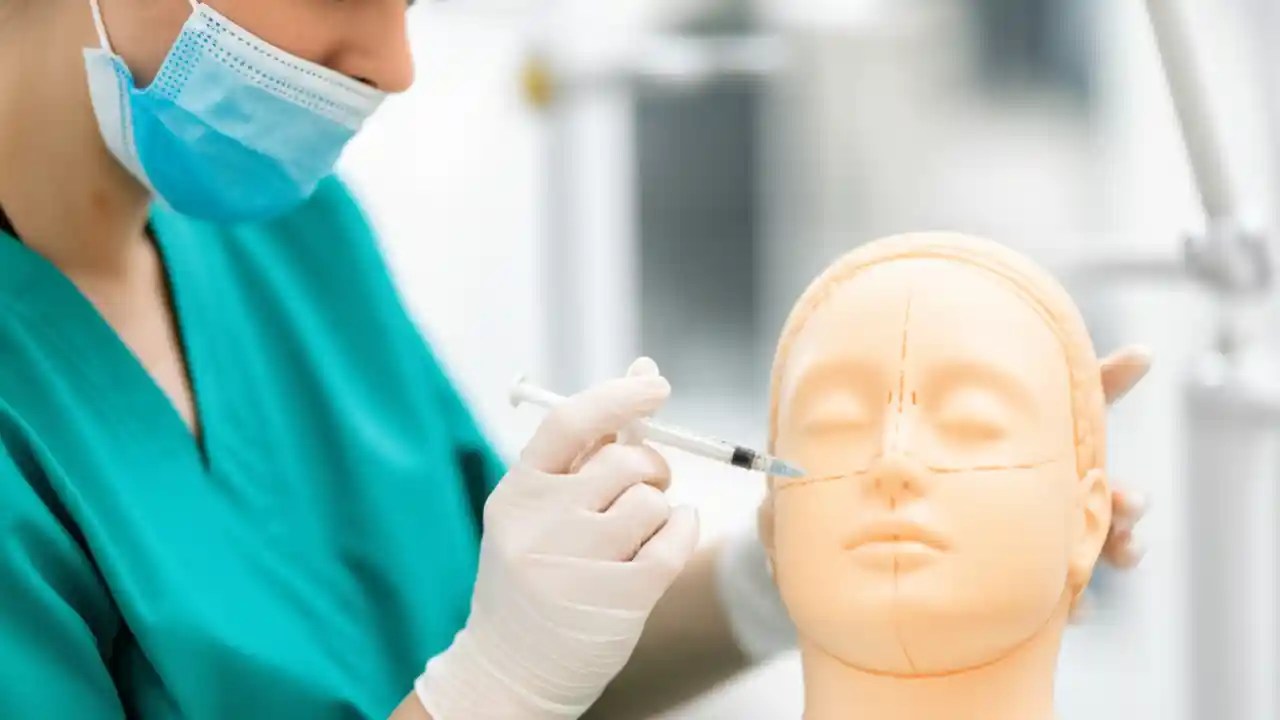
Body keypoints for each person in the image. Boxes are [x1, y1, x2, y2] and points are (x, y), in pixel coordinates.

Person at [0, 1, 1149, 718]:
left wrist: (787, 571)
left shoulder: (293, 241)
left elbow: (519, 650)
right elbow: (492, 676)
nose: (396, 63)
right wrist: (490, 695)